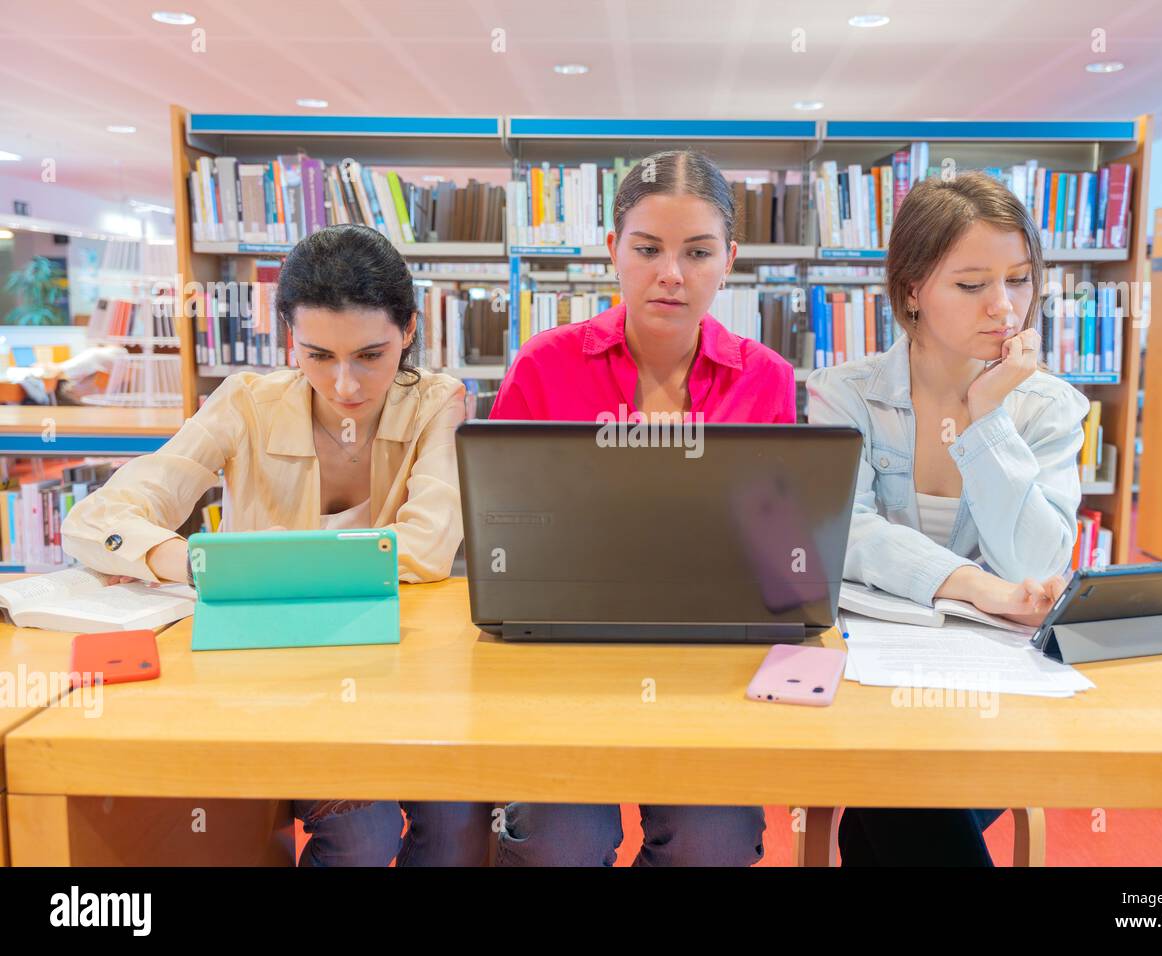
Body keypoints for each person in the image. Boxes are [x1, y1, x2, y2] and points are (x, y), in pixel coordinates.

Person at [61, 223, 492, 866]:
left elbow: (428, 547)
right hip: (275, 675)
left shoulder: (438, 401)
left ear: (408, 331)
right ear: (289, 338)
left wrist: (248, 564)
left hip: (399, 666)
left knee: (461, 821)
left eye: (370, 355)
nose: (344, 384)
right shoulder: (246, 402)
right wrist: (189, 559)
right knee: (361, 839)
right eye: (318, 355)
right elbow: (95, 519)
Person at [489, 149, 794, 865]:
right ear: (612, 251)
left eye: (698, 252)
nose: (671, 275)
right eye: (648, 249)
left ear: (730, 259)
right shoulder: (543, 365)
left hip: (708, 657)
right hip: (565, 649)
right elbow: (501, 527)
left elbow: (784, 551)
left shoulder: (768, 380)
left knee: (713, 841)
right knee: (560, 839)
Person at [807, 171, 1091, 866]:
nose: (1005, 308)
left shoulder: (1048, 406)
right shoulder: (842, 395)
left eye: (1020, 280)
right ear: (912, 291)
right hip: (870, 671)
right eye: (972, 285)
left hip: (1002, 681)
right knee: (900, 800)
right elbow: (849, 535)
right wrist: (976, 585)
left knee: (882, 812)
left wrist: (988, 416)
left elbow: (1035, 563)